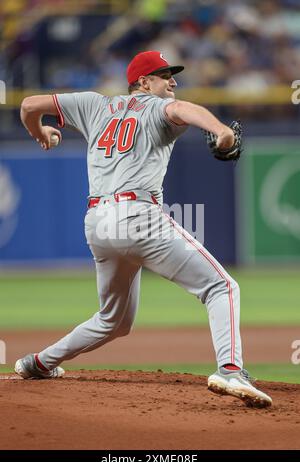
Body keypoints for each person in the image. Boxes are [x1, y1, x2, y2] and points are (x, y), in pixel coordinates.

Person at [15, 51, 272, 408]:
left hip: (98, 222)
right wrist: (221, 129)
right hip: (137, 216)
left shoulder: (93, 104)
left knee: (113, 320)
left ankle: (37, 363)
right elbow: (180, 110)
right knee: (221, 286)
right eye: (165, 75)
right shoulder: (155, 106)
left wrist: (39, 132)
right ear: (143, 82)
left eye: (172, 75)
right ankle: (230, 370)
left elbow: (29, 104)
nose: (173, 82)